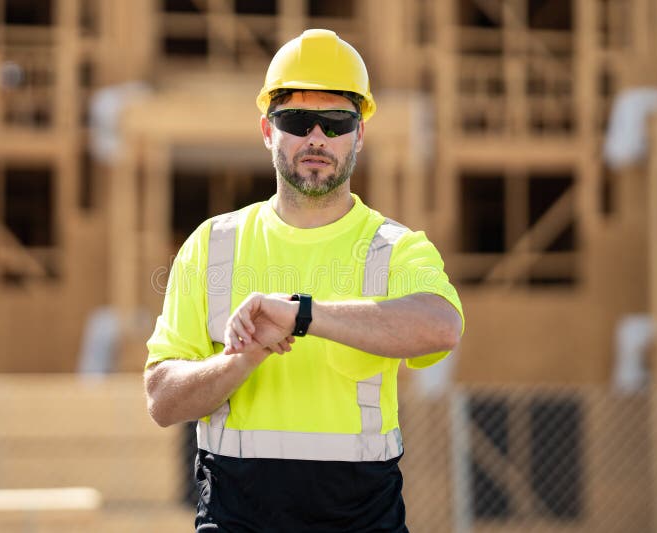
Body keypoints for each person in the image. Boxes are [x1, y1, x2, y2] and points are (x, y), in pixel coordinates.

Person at [144, 28, 464, 532]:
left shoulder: (394, 247)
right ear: (269, 130)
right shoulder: (213, 245)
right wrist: (243, 357)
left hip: (360, 519)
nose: (317, 137)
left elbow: (442, 327)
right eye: (297, 119)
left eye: (336, 121)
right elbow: (163, 400)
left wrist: (302, 315)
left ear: (360, 132)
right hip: (236, 519)